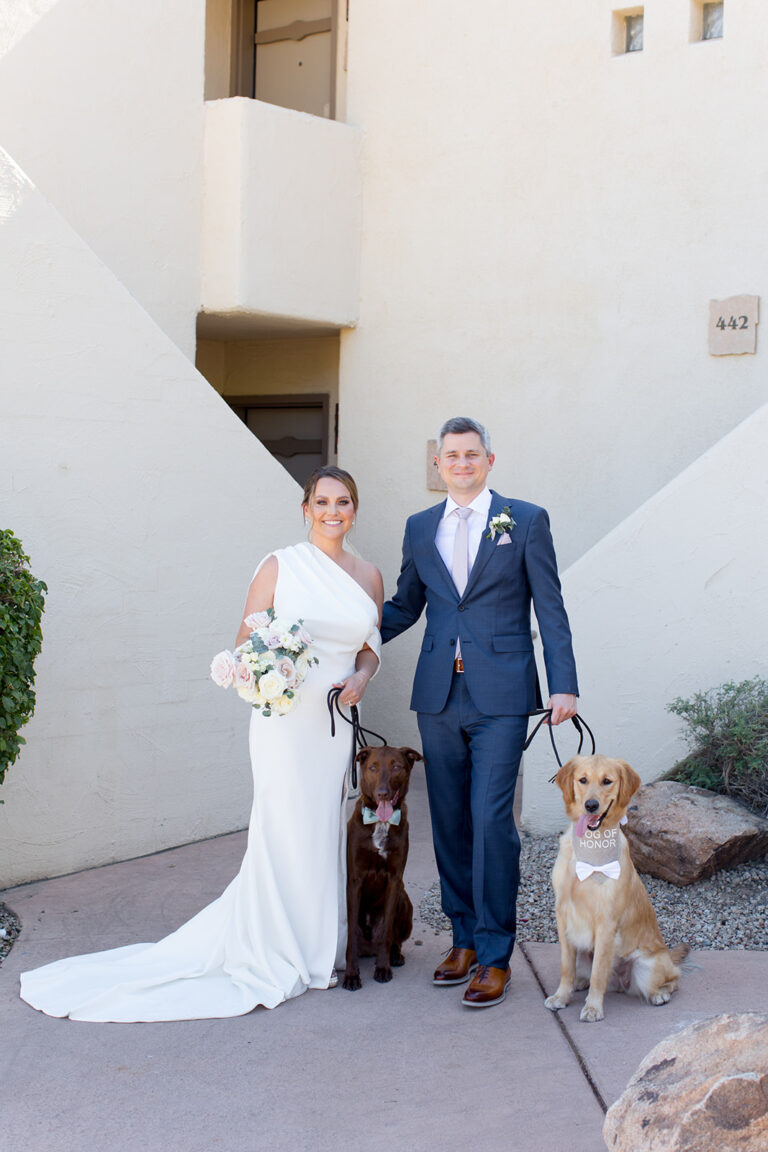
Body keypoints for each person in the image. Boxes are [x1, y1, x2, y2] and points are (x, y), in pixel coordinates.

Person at [20, 466, 383, 1021]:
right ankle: (275, 949)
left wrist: (362, 677)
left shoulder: (368, 575)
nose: (333, 511)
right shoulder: (279, 565)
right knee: (282, 827)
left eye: (344, 502)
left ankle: (316, 948)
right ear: (306, 508)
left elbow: (367, 644)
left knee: (319, 828)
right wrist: (271, 673)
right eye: (322, 501)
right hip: (284, 722)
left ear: (354, 509)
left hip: (333, 726)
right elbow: (246, 641)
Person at [381, 417, 578, 1008]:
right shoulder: (420, 527)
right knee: (448, 820)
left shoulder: (524, 519)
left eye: (472, 454)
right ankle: (462, 940)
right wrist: (350, 646)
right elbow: (405, 605)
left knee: (491, 822)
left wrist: (562, 684)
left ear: (490, 460)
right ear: (437, 466)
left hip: (502, 695)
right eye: (451, 455)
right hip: (439, 693)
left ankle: (495, 954)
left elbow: (550, 605)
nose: (461, 463)